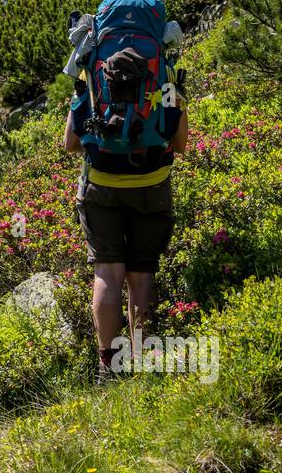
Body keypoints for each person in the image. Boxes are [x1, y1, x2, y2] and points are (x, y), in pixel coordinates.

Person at [63, 26, 188, 383]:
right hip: (151, 185)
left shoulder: (92, 71)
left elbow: (71, 143)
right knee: (141, 274)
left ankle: (108, 366)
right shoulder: (163, 73)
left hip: (101, 185)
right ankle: (143, 358)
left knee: (107, 273)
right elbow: (179, 144)